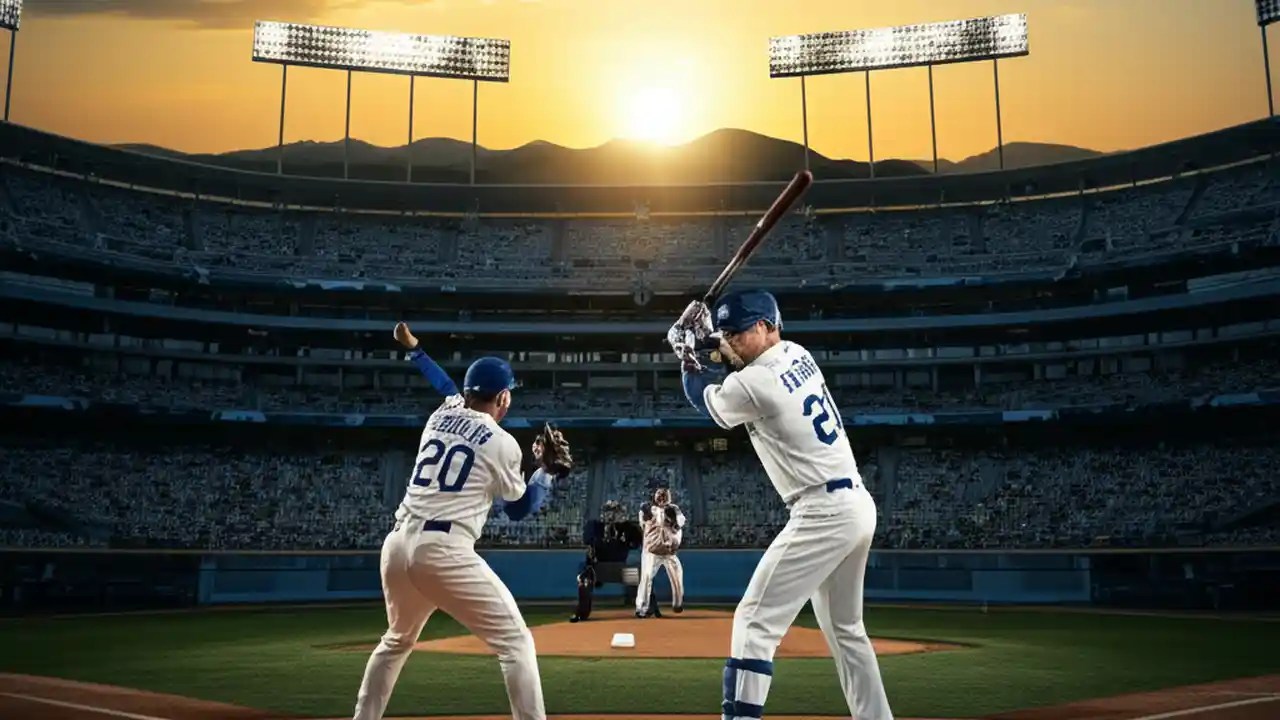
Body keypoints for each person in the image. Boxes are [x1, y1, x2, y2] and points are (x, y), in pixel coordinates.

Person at [667, 290, 893, 720]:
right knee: (847, 631)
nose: (730, 341)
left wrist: (686, 353)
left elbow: (707, 400)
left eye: (737, 332)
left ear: (766, 327)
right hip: (855, 505)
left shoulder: (758, 383)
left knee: (753, 622)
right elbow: (737, 361)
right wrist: (704, 340)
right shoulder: (796, 353)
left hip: (822, 511)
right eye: (726, 333)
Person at [352, 322, 562, 720]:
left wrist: (415, 350)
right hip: (443, 551)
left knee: (395, 641)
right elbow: (518, 510)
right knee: (515, 643)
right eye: (509, 394)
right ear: (503, 397)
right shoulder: (502, 443)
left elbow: (444, 386)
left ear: (467, 394)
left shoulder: (439, 416)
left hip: (397, 546)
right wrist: (546, 472)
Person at [635, 487, 686, 618]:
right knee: (646, 578)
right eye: (660, 496)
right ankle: (642, 608)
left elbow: (681, 521)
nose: (662, 498)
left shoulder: (674, 508)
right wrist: (649, 515)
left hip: (670, 552)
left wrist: (673, 519)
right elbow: (643, 523)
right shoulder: (647, 508)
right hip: (653, 551)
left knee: (677, 576)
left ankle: (678, 604)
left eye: (664, 496)